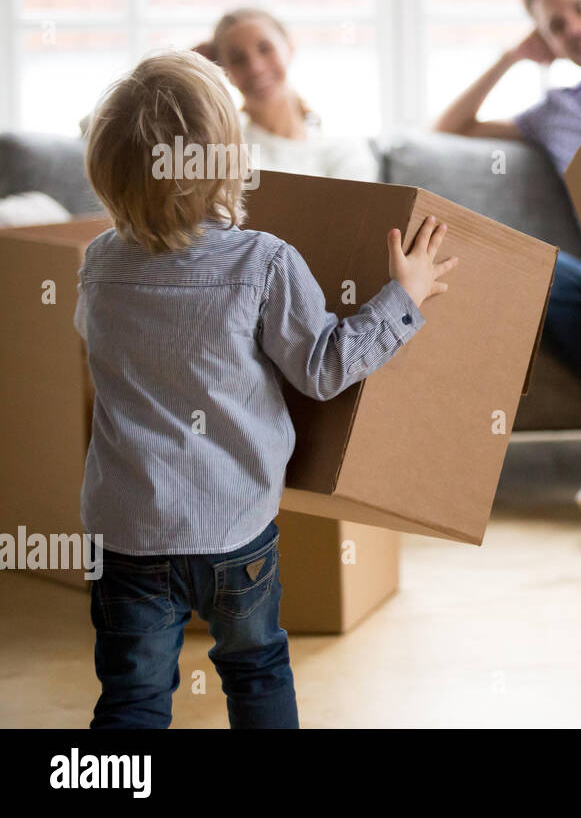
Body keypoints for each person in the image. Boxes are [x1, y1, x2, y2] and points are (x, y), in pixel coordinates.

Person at [76, 49, 457, 728]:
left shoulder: (97, 263)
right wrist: (406, 296)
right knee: (256, 673)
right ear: (228, 159)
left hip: (126, 533)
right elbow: (323, 368)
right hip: (233, 532)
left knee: (131, 697)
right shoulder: (263, 262)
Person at [435, 0, 581, 535]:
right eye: (555, 25)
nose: (574, 27)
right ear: (545, 42)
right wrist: (509, 58)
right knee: (531, 269)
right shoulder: (555, 113)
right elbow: (448, 128)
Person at [195, 8, 378, 182]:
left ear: (289, 47)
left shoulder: (342, 145)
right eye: (238, 59)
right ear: (224, 70)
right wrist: (193, 67)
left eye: (265, 49)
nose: (255, 68)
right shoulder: (226, 148)